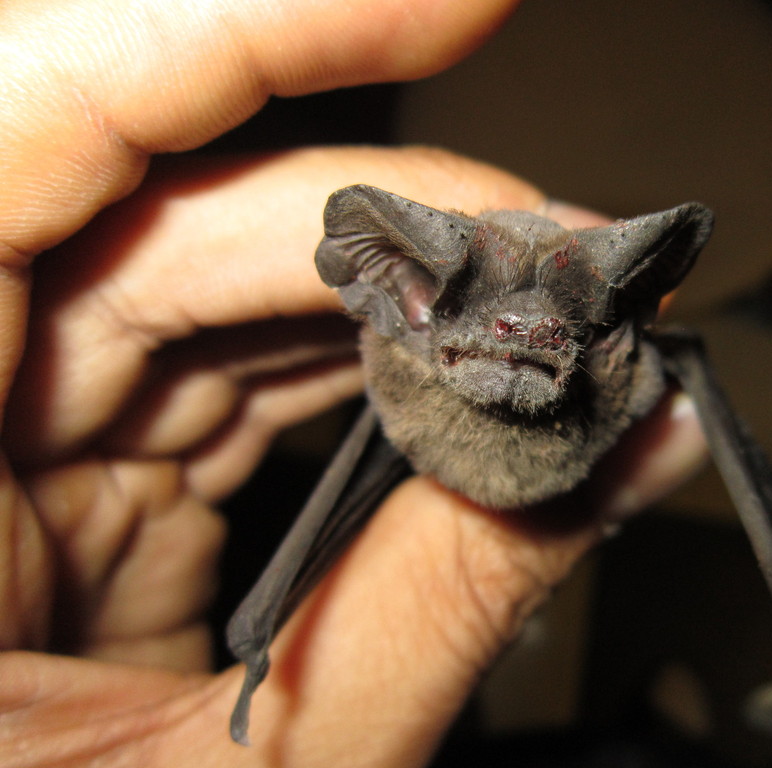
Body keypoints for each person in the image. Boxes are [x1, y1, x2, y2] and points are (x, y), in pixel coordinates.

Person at [0, 0, 707, 764]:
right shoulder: (406, 365)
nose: (520, 337)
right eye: (498, 321)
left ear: (608, 337)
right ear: (406, 305)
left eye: (555, 328)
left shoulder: (620, 376)